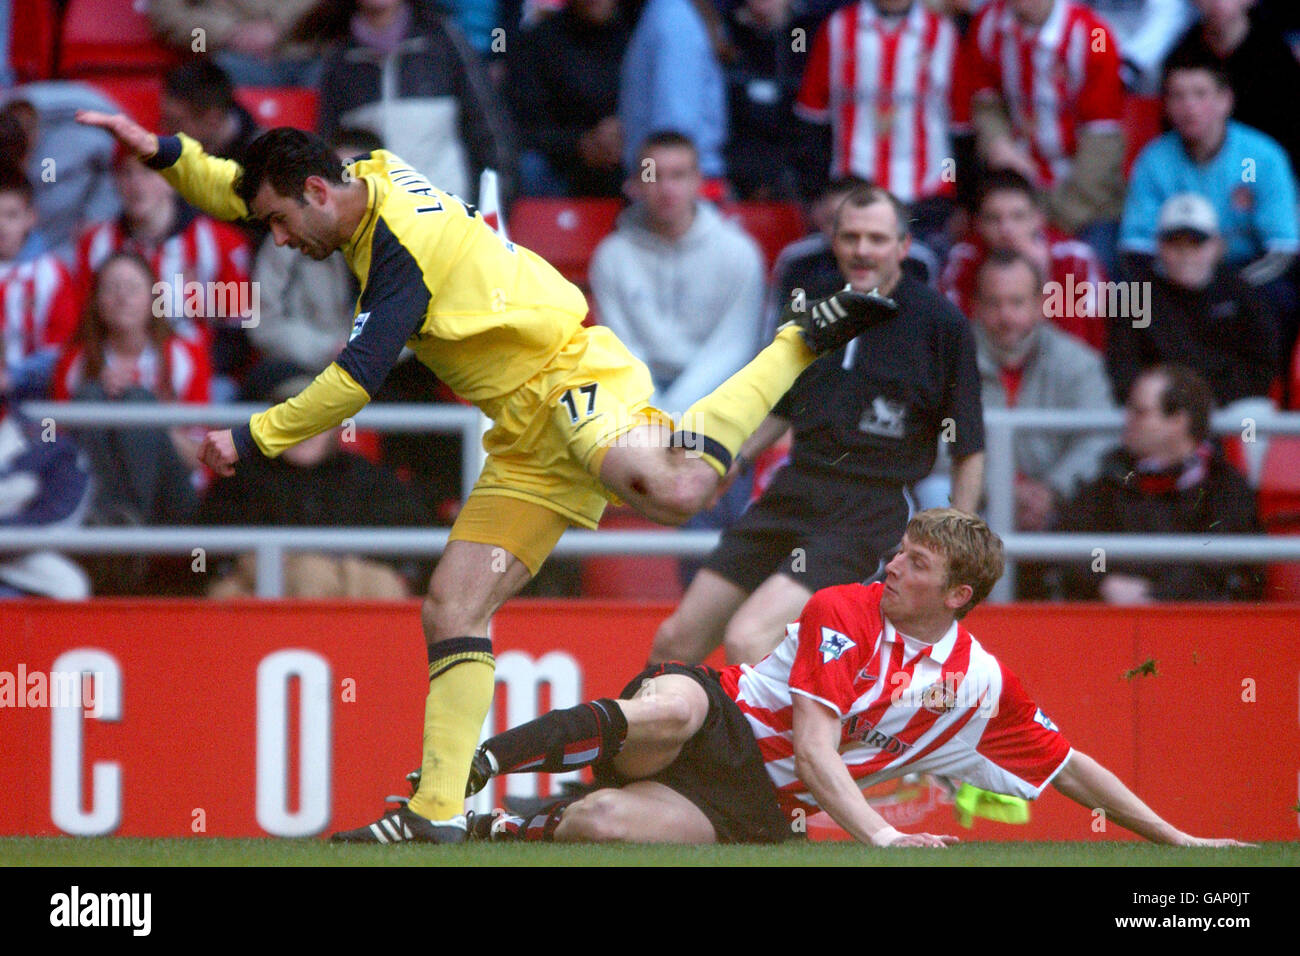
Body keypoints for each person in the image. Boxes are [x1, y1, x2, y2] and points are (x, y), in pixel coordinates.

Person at [77, 107, 895, 844]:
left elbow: (356, 378)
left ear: (321, 193)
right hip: (521, 432)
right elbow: (244, 187)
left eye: (282, 225)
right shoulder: (368, 175)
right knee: (453, 604)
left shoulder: (400, 249)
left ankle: (797, 341)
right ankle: (435, 814)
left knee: (679, 491)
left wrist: (252, 436)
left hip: (569, 378)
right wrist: (169, 153)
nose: (279, 241)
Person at [450, 509, 1248, 848]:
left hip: (747, 804)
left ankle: (519, 828)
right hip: (720, 719)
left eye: (917, 563)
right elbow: (814, 746)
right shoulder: (844, 607)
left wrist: (1177, 839)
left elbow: (1070, 766)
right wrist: (885, 835)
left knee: (603, 828)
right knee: (671, 699)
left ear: (958, 595)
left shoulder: (977, 685)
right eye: (900, 550)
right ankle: (472, 768)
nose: (894, 566)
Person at [651, 186, 985, 667]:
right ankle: (647, 740)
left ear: (903, 246)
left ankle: (782, 743)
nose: (862, 250)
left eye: (876, 238)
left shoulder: (941, 325)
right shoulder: (811, 303)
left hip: (868, 508)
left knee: (750, 638)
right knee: (674, 642)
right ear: (833, 239)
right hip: (793, 491)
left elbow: (969, 444)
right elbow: (781, 407)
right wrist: (731, 461)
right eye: (850, 237)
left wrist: (960, 538)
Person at [1050, 364, 1263, 603]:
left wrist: (1158, 596)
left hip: (1198, 628)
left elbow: (1224, 567)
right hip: (1112, 626)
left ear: (1178, 421)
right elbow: (1066, 544)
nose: (1126, 420)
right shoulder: (1112, 478)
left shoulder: (1225, 487)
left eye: (1140, 412)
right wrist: (1104, 582)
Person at [590, 131, 765, 416]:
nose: (666, 187)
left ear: (699, 181)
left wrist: (672, 413)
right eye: (652, 175)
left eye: (678, 175)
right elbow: (620, 347)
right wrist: (653, 413)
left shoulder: (739, 253)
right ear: (635, 183)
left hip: (717, 399)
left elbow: (734, 347)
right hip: (635, 402)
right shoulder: (611, 256)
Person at [52, 252, 210, 530]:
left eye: (133, 288)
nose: (122, 298)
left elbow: (203, 458)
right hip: (91, 495)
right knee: (90, 398)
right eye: (112, 288)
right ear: (97, 301)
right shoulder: (75, 361)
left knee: (137, 401)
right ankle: (116, 521)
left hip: (171, 490)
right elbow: (54, 444)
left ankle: (127, 527)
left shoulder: (186, 355)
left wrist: (149, 421)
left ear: (153, 299)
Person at [958, 0, 1126, 259]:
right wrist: (998, 143)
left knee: (1088, 277)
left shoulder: (1094, 35)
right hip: (1014, 187)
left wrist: (1048, 222)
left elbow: (1103, 142)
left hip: (1083, 197)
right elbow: (985, 102)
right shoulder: (988, 24)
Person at [315, 0, 516, 205]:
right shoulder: (338, 59)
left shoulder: (444, 39)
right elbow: (328, 151)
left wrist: (491, 211)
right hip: (374, 222)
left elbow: (490, 130)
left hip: (449, 216)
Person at [970, 250, 1114, 534]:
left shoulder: (1078, 362)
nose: (1006, 316)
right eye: (994, 303)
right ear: (975, 306)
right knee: (938, 492)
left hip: (1060, 502)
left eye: (1017, 302)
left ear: (1039, 304)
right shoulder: (949, 361)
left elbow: (1100, 438)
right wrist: (1003, 490)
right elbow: (937, 445)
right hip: (976, 499)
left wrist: (1052, 490)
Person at [794, 0, 962, 241]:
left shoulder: (943, 33)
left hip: (926, 198)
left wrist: (957, 198)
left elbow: (960, 126)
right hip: (851, 193)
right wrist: (816, 193)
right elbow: (811, 118)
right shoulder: (838, 27)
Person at [1108, 193, 1276, 408]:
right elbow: (1122, 367)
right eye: (1174, 243)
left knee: (1255, 417)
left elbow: (1262, 366)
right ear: (1159, 245)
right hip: (1158, 409)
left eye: (1197, 243)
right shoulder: (1132, 296)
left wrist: (1208, 401)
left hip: (1227, 407)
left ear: (1217, 246)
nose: (1185, 253)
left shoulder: (1241, 292)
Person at [941, 169, 1108, 352]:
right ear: (979, 224)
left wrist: (1043, 278)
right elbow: (955, 339)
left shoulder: (1076, 259)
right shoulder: (965, 258)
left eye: (1018, 216)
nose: (1006, 229)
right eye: (993, 219)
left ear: (1038, 219)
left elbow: (1085, 347)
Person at [507, 0, 630, 198]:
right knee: (528, 167)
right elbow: (520, 127)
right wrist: (580, 144)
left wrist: (627, 130)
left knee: (658, 164)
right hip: (559, 163)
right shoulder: (538, 41)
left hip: (627, 156)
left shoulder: (639, 35)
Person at [1165, 0, 1300, 170]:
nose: (1219, 3)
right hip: (1196, 172)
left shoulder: (1277, 58)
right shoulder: (1181, 55)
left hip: (1259, 170)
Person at [619, 0, 730, 188]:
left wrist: (648, 182)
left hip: (680, 188)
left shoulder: (672, 16)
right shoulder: (671, 12)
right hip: (677, 184)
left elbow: (674, 129)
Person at [0, 163, 79, 399]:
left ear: (30, 217)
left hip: (38, 396)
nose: (1, 225)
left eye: (11, 215)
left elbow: (63, 346)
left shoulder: (53, 273)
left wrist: (14, 376)